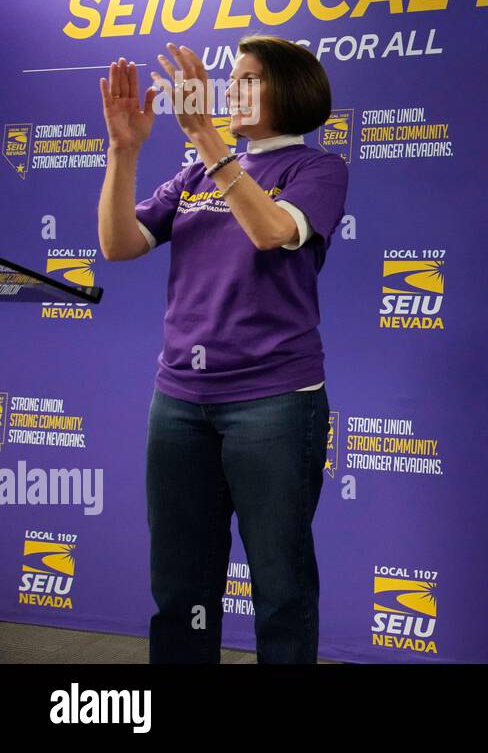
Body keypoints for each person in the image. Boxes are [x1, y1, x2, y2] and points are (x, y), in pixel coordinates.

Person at [96, 35, 348, 663]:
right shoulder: (192, 175)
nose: (232, 88)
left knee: (281, 586)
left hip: (274, 402)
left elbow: (269, 232)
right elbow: (120, 244)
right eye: (230, 77)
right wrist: (124, 151)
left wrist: (208, 139)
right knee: (181, 585)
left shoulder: (314, 168)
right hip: (179, 401)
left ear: (289, 91)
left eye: (249, 79)